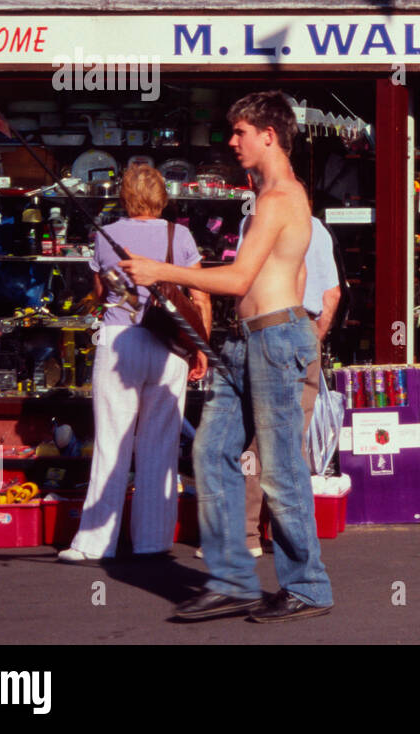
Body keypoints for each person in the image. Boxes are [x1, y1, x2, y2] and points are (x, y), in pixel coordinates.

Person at [122, 90, 332, 623]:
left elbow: (239, 279)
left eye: (240, 132)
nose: (231, 141)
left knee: (280, 470)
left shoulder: (280, 198)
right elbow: (290, 275)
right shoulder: (269, 200)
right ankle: (234, 580)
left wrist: (160, 271)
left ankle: (307, 586)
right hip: (249, 341)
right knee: (210, 454)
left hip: (273, 340)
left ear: (269, 135)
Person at [59, 165, 210, 562]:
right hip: (169, 347)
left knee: (112, 442)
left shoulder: (106, 235)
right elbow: (201, 298)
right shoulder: (181, 236)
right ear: (163, 196)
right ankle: (152, 541)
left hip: (119, 340)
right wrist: (201, 349)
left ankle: (94, 544)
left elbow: (99, 290)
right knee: (159, 445)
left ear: (124, 196)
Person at [238, 212, 341, 555]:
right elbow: (332, 294)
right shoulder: (315, 227)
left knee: (261, 433)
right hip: (303, 329)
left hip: (269, 327)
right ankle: (289, 534)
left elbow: (241, 282)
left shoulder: (257, 222)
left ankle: (246, 533)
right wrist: (312, 337)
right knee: (290, 435)